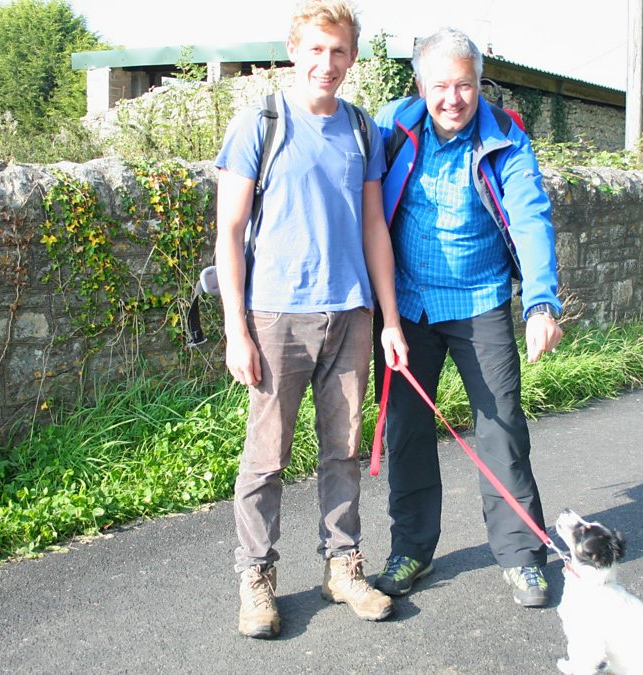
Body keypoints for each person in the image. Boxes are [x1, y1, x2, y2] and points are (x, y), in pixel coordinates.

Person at [214, 0, 408, 639]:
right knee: (265, 457)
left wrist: (389, 320)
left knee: (343, 451)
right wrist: (235, 330)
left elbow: (375, 227)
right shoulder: (259, 124)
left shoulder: (362, 130)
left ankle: (343, 565)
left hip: (350, 313)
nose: (328, 64)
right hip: (275, 317)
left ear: (353, 58)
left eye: (340, 52)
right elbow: (230, 230)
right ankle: (256, 575)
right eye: (317, 50)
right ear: (295, 51)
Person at [372, 27, 564, 608]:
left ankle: (522, 554)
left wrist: (540, 302)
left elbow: (531, 218)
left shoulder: (506, 136)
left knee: (501, 427)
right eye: (440, 86)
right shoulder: (391, 127)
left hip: (480, 301)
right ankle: (411, 548)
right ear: (420, 85)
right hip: (407, 306)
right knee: (407, 433)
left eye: (464, 85)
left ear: (480, 84)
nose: (452, 98)